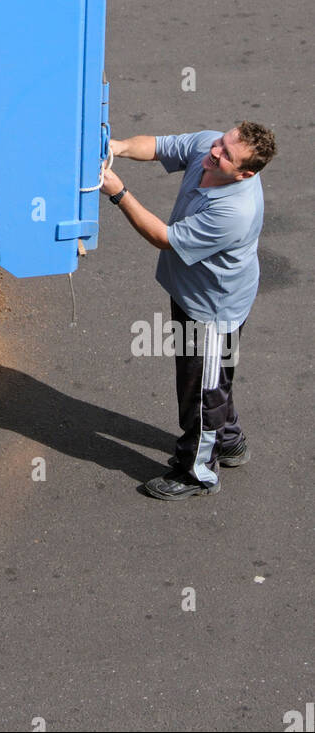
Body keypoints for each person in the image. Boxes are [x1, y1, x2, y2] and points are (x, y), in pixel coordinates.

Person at [101, 122, 277, 500]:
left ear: (245, 173)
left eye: (227, 155)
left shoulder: (235, 211)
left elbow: (164, 239)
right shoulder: (210, 147)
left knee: (200, 391)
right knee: (213, 379)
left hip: (212, 310)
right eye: (221, 142)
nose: (215, 152)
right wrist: (119, 146)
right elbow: (162, 146)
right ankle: (228, 440)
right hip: (194, 294)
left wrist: (118, 193)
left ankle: (197, 472)